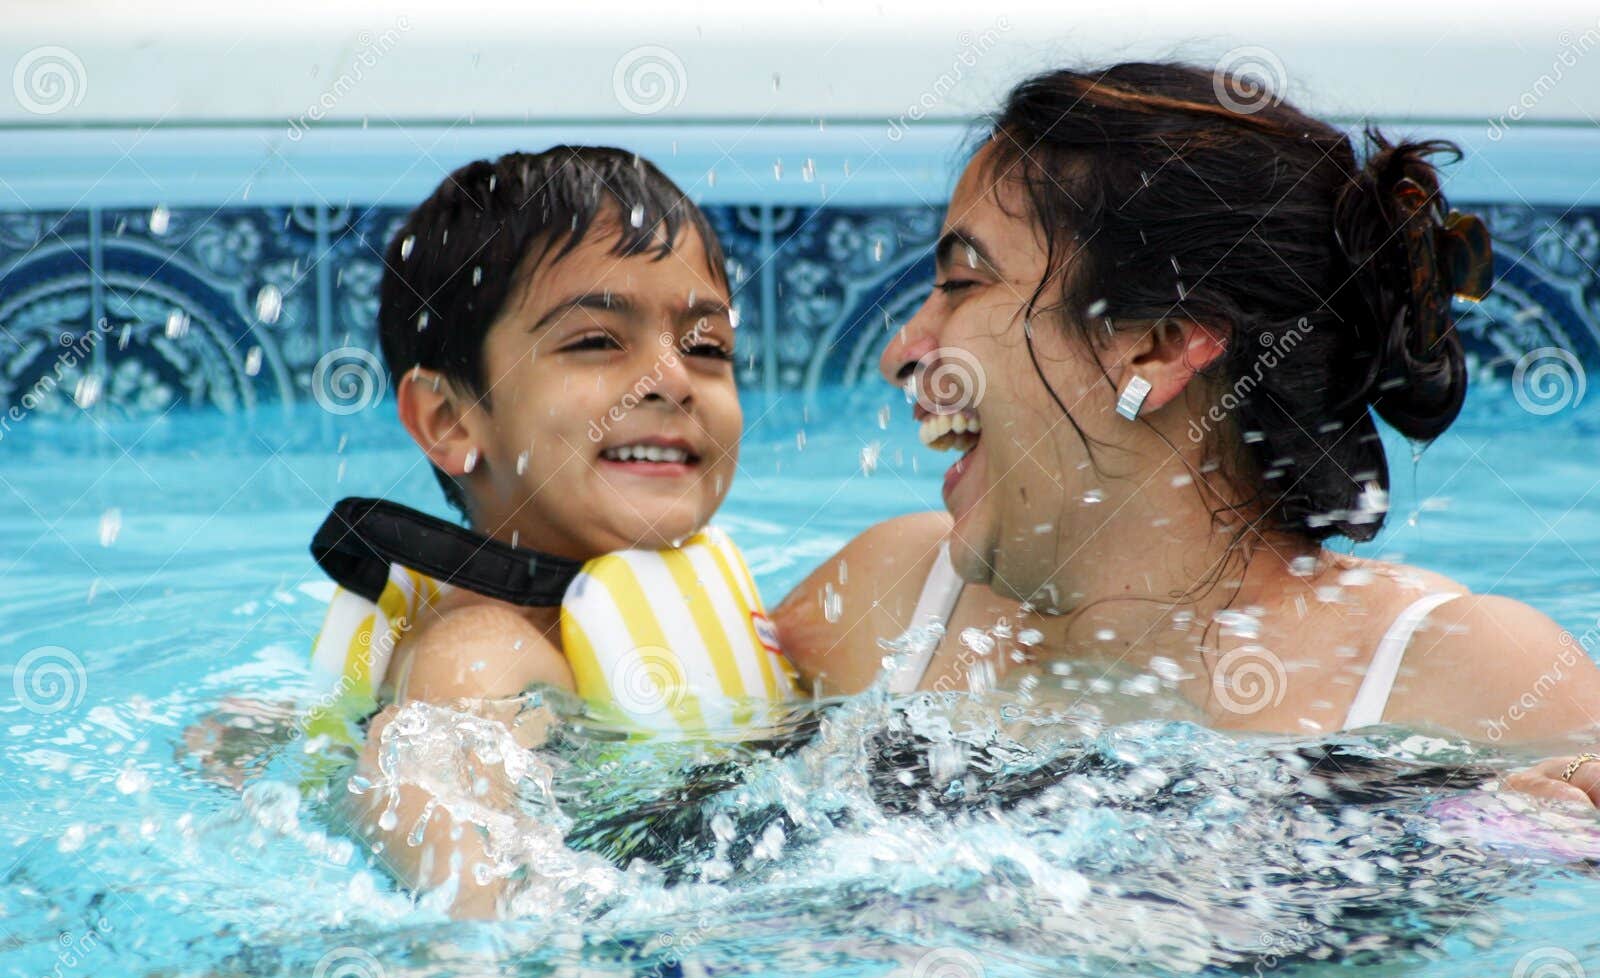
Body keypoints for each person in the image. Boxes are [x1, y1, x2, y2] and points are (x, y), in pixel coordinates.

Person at [773, 63, 1600, 807]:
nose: (901, 350)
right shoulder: (890, 603)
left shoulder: (1467, 677)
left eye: (963, 282)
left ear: (1161, 345)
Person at [336, 146, 788, 915]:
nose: (673, 380)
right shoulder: (481, 663)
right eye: (596, 341)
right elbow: (489, 925)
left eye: (706, 347)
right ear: (449, 419)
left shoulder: (738, 616)